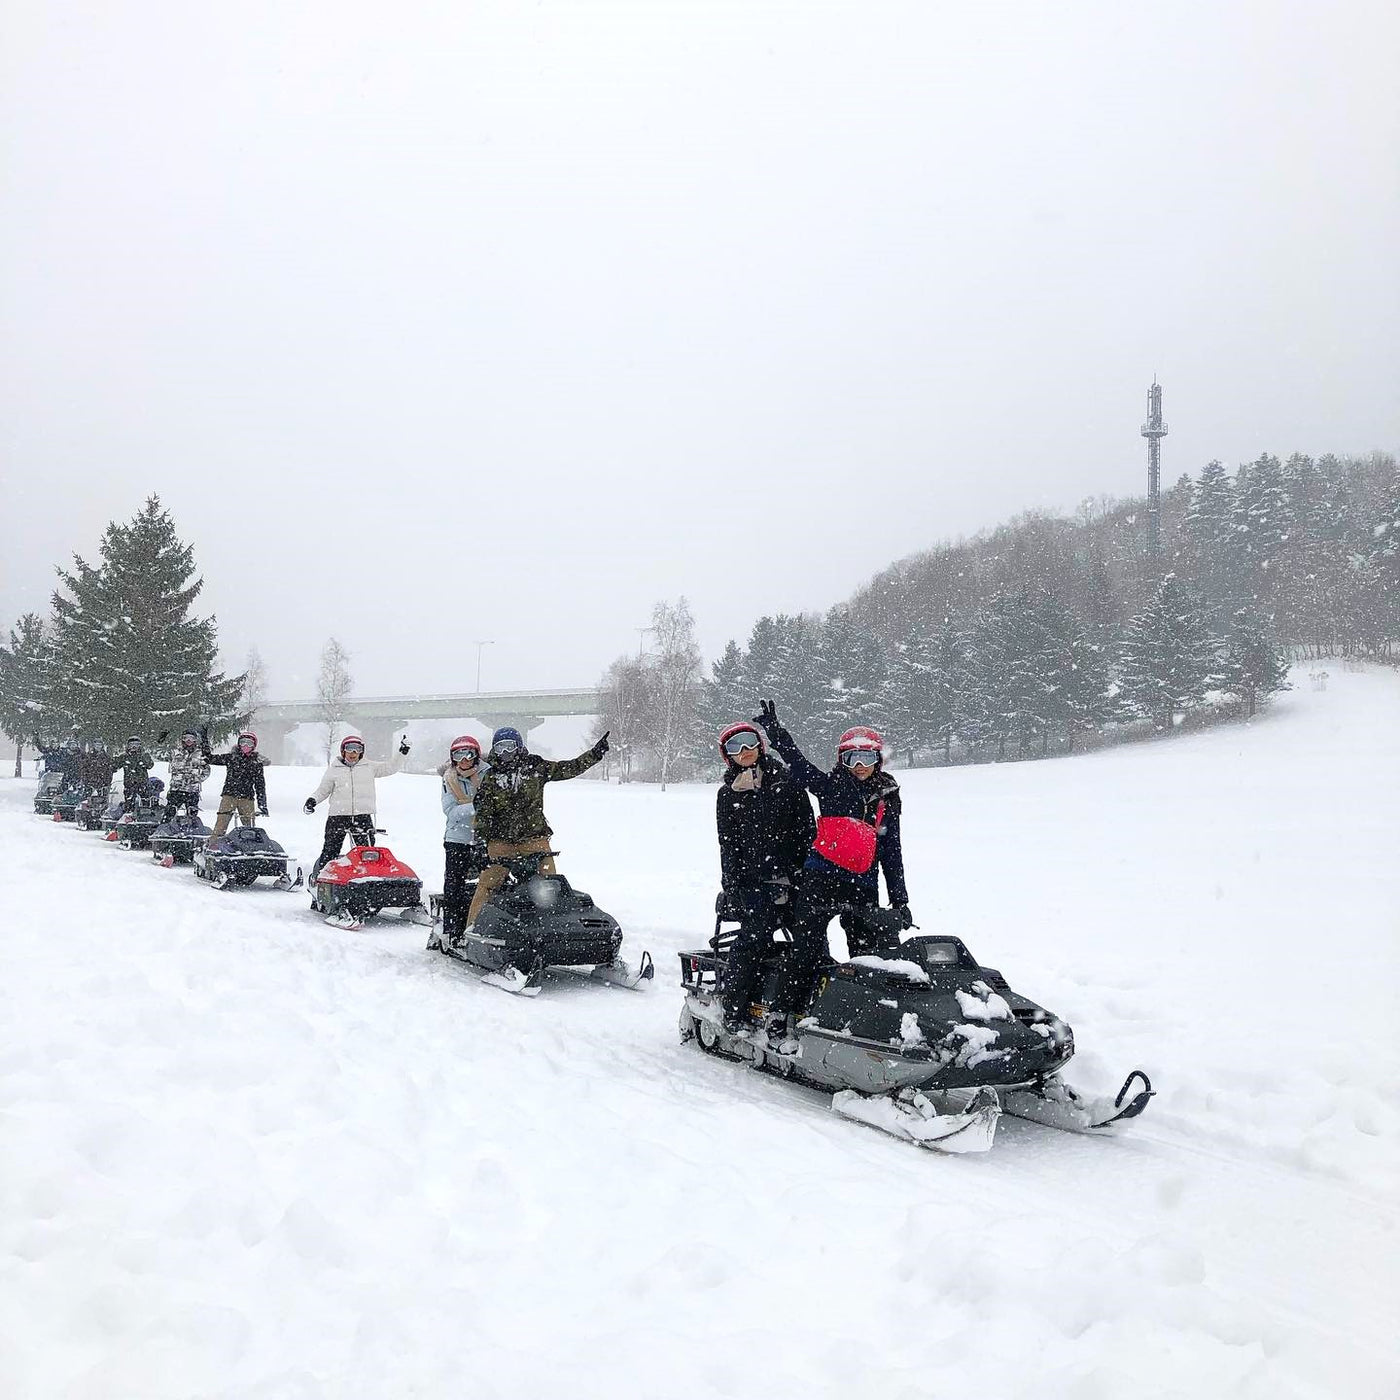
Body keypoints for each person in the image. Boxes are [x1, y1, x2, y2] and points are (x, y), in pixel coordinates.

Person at [752, 700, 911, 1025]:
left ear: (878, 759)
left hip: (862, 884)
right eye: (852, 758)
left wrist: (900, 900)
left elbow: (891, 851)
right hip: (820, 882)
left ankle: (870, 1020)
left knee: (869, 956)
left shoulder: (886, 796)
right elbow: (799, 765)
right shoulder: (830, 786)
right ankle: (780, 1016)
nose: (860, 765)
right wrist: (778, 735)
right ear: (843, 759)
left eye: (867, 757)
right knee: (806, 952)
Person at [713, 721, 816, 1034]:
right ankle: (734, 1008)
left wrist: (804, 871)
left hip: (793, 877)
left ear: (760, 744)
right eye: (735, 747)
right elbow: (727, 844)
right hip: (753, 881)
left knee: (810, 941)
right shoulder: (728, 795)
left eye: (748, 743)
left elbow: (807, 830)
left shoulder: (788, 782)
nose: (744, 752)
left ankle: (800, 1006)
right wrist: (732, 886)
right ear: (727, 756)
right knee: (755, 937)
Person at [462, 726, 610, 930]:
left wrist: (594, 754)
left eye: (509, 747)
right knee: (487, 885)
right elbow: (483, 814)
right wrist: (481, 843)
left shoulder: (535, 767)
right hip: (501, 843)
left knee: (550, 884)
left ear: (519, 747)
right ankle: (472, 929)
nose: (505, 753)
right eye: (500, 748)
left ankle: (554, 929)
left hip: (534, 840)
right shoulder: (491, 778)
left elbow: (568, 768)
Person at [304, 733, 410, 880]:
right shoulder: (334, 769)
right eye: (350, 749)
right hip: (338, 817)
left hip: (362, 816)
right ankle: (321, 883)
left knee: (367, 855)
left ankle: (367, 884)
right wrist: (312, 800)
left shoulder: (369, 767)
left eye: (358, 749)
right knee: (330, 852)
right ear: (343, 750)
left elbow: (390, 767)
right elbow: (323, 790)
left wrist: (402, 752)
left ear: (362, 752)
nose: (353, 753)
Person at [437, 735, 488, 946]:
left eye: (469, 754)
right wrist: (478, 805)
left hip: (485, 837)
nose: (464, 759)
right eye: (458, 755)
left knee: (490, 884)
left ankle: (481, 927)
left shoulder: (488, 774)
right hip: (457, 838)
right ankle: (453, 931)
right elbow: (451, 811)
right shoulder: (449, 778)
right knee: (454, 886)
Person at [202, 728, 270, 841]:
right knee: (221, 822)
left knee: (249, 827)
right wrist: (205, 741)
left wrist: (262, 804)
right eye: (243, 742)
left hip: (247, 798)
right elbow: (210, 758)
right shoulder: (231, 758)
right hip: (229, 795)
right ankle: (214, 844)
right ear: (238, 744)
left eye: (249, 743)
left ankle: (248, 846)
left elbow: (260, 785)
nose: (245, 746)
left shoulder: (256, 763)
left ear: (254, 746)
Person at [163, 729, 211, 821]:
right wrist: (164, 739)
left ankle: (190, 832)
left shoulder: (200, 754)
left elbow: (207, 770)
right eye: (186, 738)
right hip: (176, 790)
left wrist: (197, 779)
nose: (188, 741)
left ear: (195, 740)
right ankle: (165, 831)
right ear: (182, 739)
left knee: (192, 816)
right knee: (169, 814)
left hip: (192, 791)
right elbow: (163, 752)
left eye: (191, 738)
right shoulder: (175, 752)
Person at [114, 736, 156, 811]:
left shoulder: (144, 755)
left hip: (143, 784)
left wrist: (143, 759)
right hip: (129, 784)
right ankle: (128, 815)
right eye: (131, 744)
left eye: (136, 744)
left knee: (145, 804)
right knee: (129, 803)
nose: (134, 747)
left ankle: (144, 817)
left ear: (139, 745)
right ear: (128, 746)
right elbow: (114, 766)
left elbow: (150, 765)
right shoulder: (124, 756)